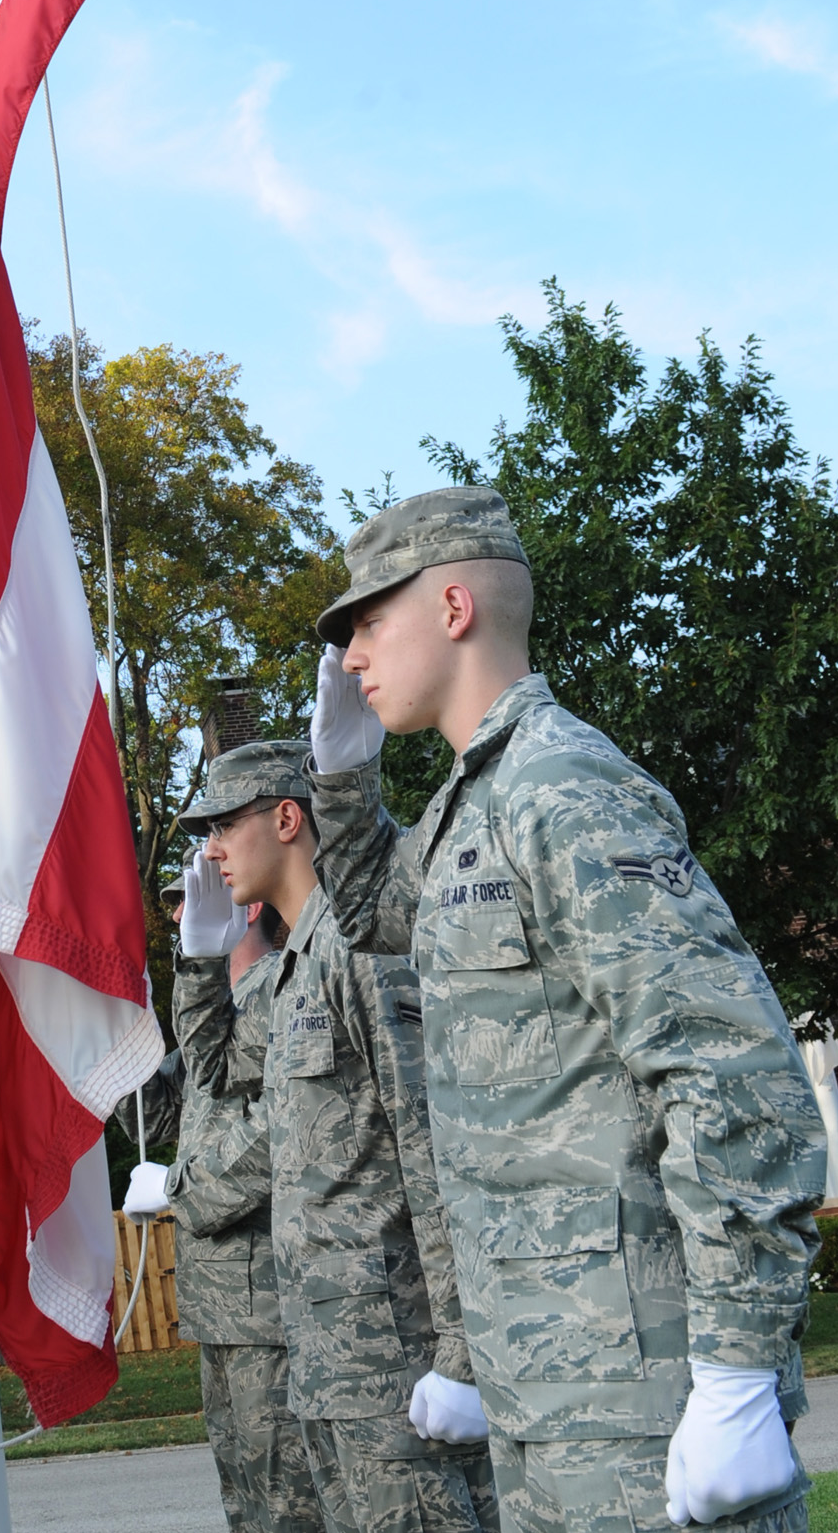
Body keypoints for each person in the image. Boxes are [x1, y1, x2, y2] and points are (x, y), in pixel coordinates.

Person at [308, 486, 828, 1533]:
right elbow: (369, 913)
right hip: (544, 1387)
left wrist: (734, 1369)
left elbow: (728, 1068)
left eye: (368, 622)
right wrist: (342, 777)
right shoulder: (471, 804)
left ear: (453, 607)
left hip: (645, 1395)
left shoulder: (561, 786)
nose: (351, 657)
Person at [189, 741, 499, 1533]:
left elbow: (434, 1147)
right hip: (326, 1362)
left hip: (396, 1362)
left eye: (224, 825)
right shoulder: (296, 964)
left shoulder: (364, 949)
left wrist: (459, 1356)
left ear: (287, 819)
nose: (213, 851)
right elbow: (215, 1069)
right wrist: (198, 964)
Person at [117, 881, 327, 1533]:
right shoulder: (214, 1016)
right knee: (246, 1507)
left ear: (247, 907)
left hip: (271, 1306)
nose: (176, 915)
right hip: (220, 1309)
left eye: (187, 898)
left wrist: (178, 1188)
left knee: (289, 1509)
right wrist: (117, 1032)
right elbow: (154, 1116)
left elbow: (284, 1129)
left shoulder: (280, 990)